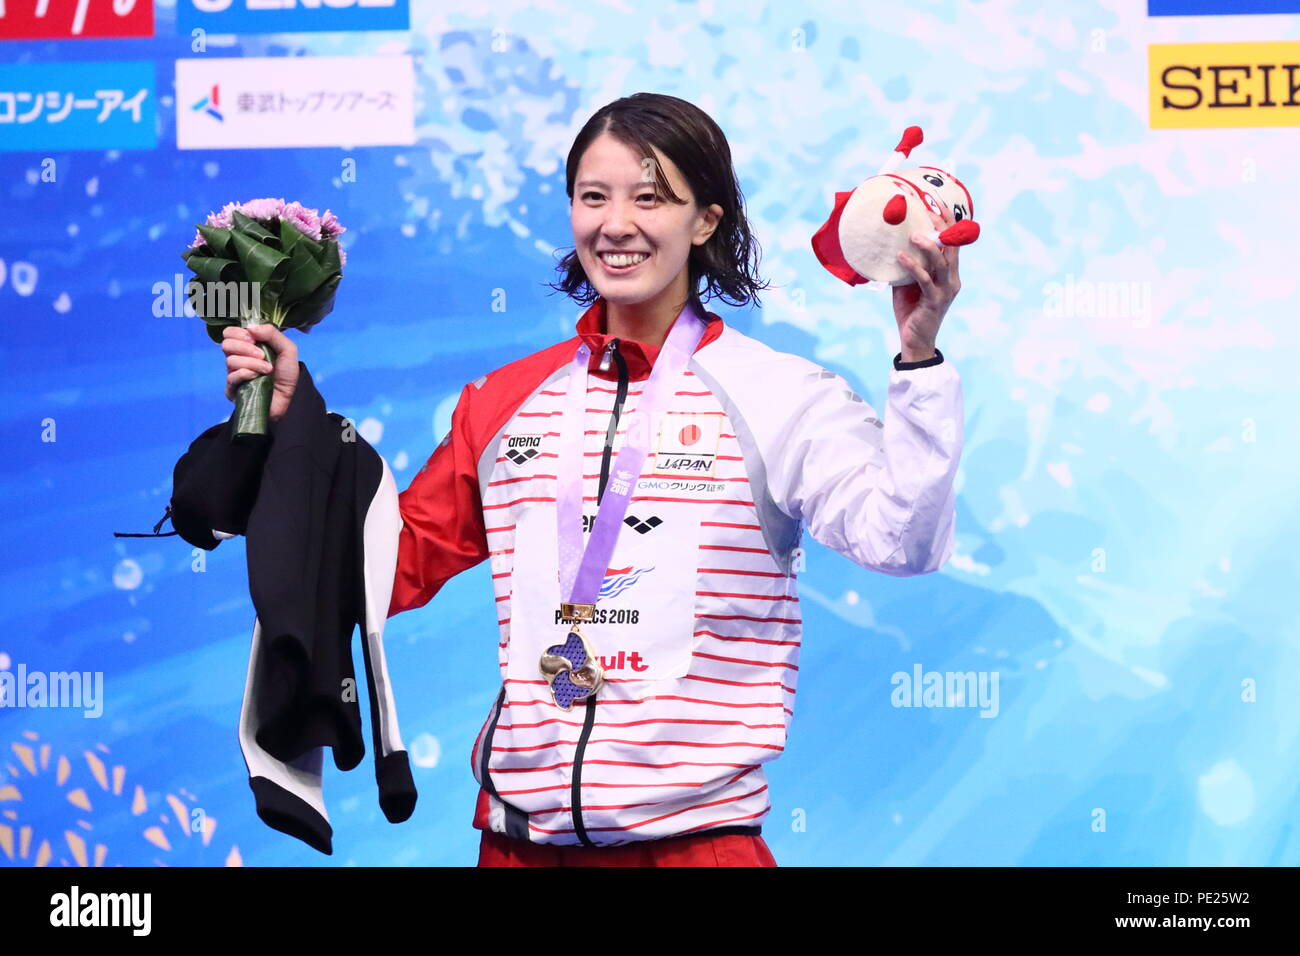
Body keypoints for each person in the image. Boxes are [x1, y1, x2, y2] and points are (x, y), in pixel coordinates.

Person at [220, 92, 964, 867]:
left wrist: (918, 359)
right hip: (516, 847)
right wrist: (291, 426)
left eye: (651, 198)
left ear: (706, 219)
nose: (616, 224)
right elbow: (383, 576)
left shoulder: (781, 396)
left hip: (695, 848)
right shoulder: (503, 401)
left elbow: (902, 541)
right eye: (592, 196)